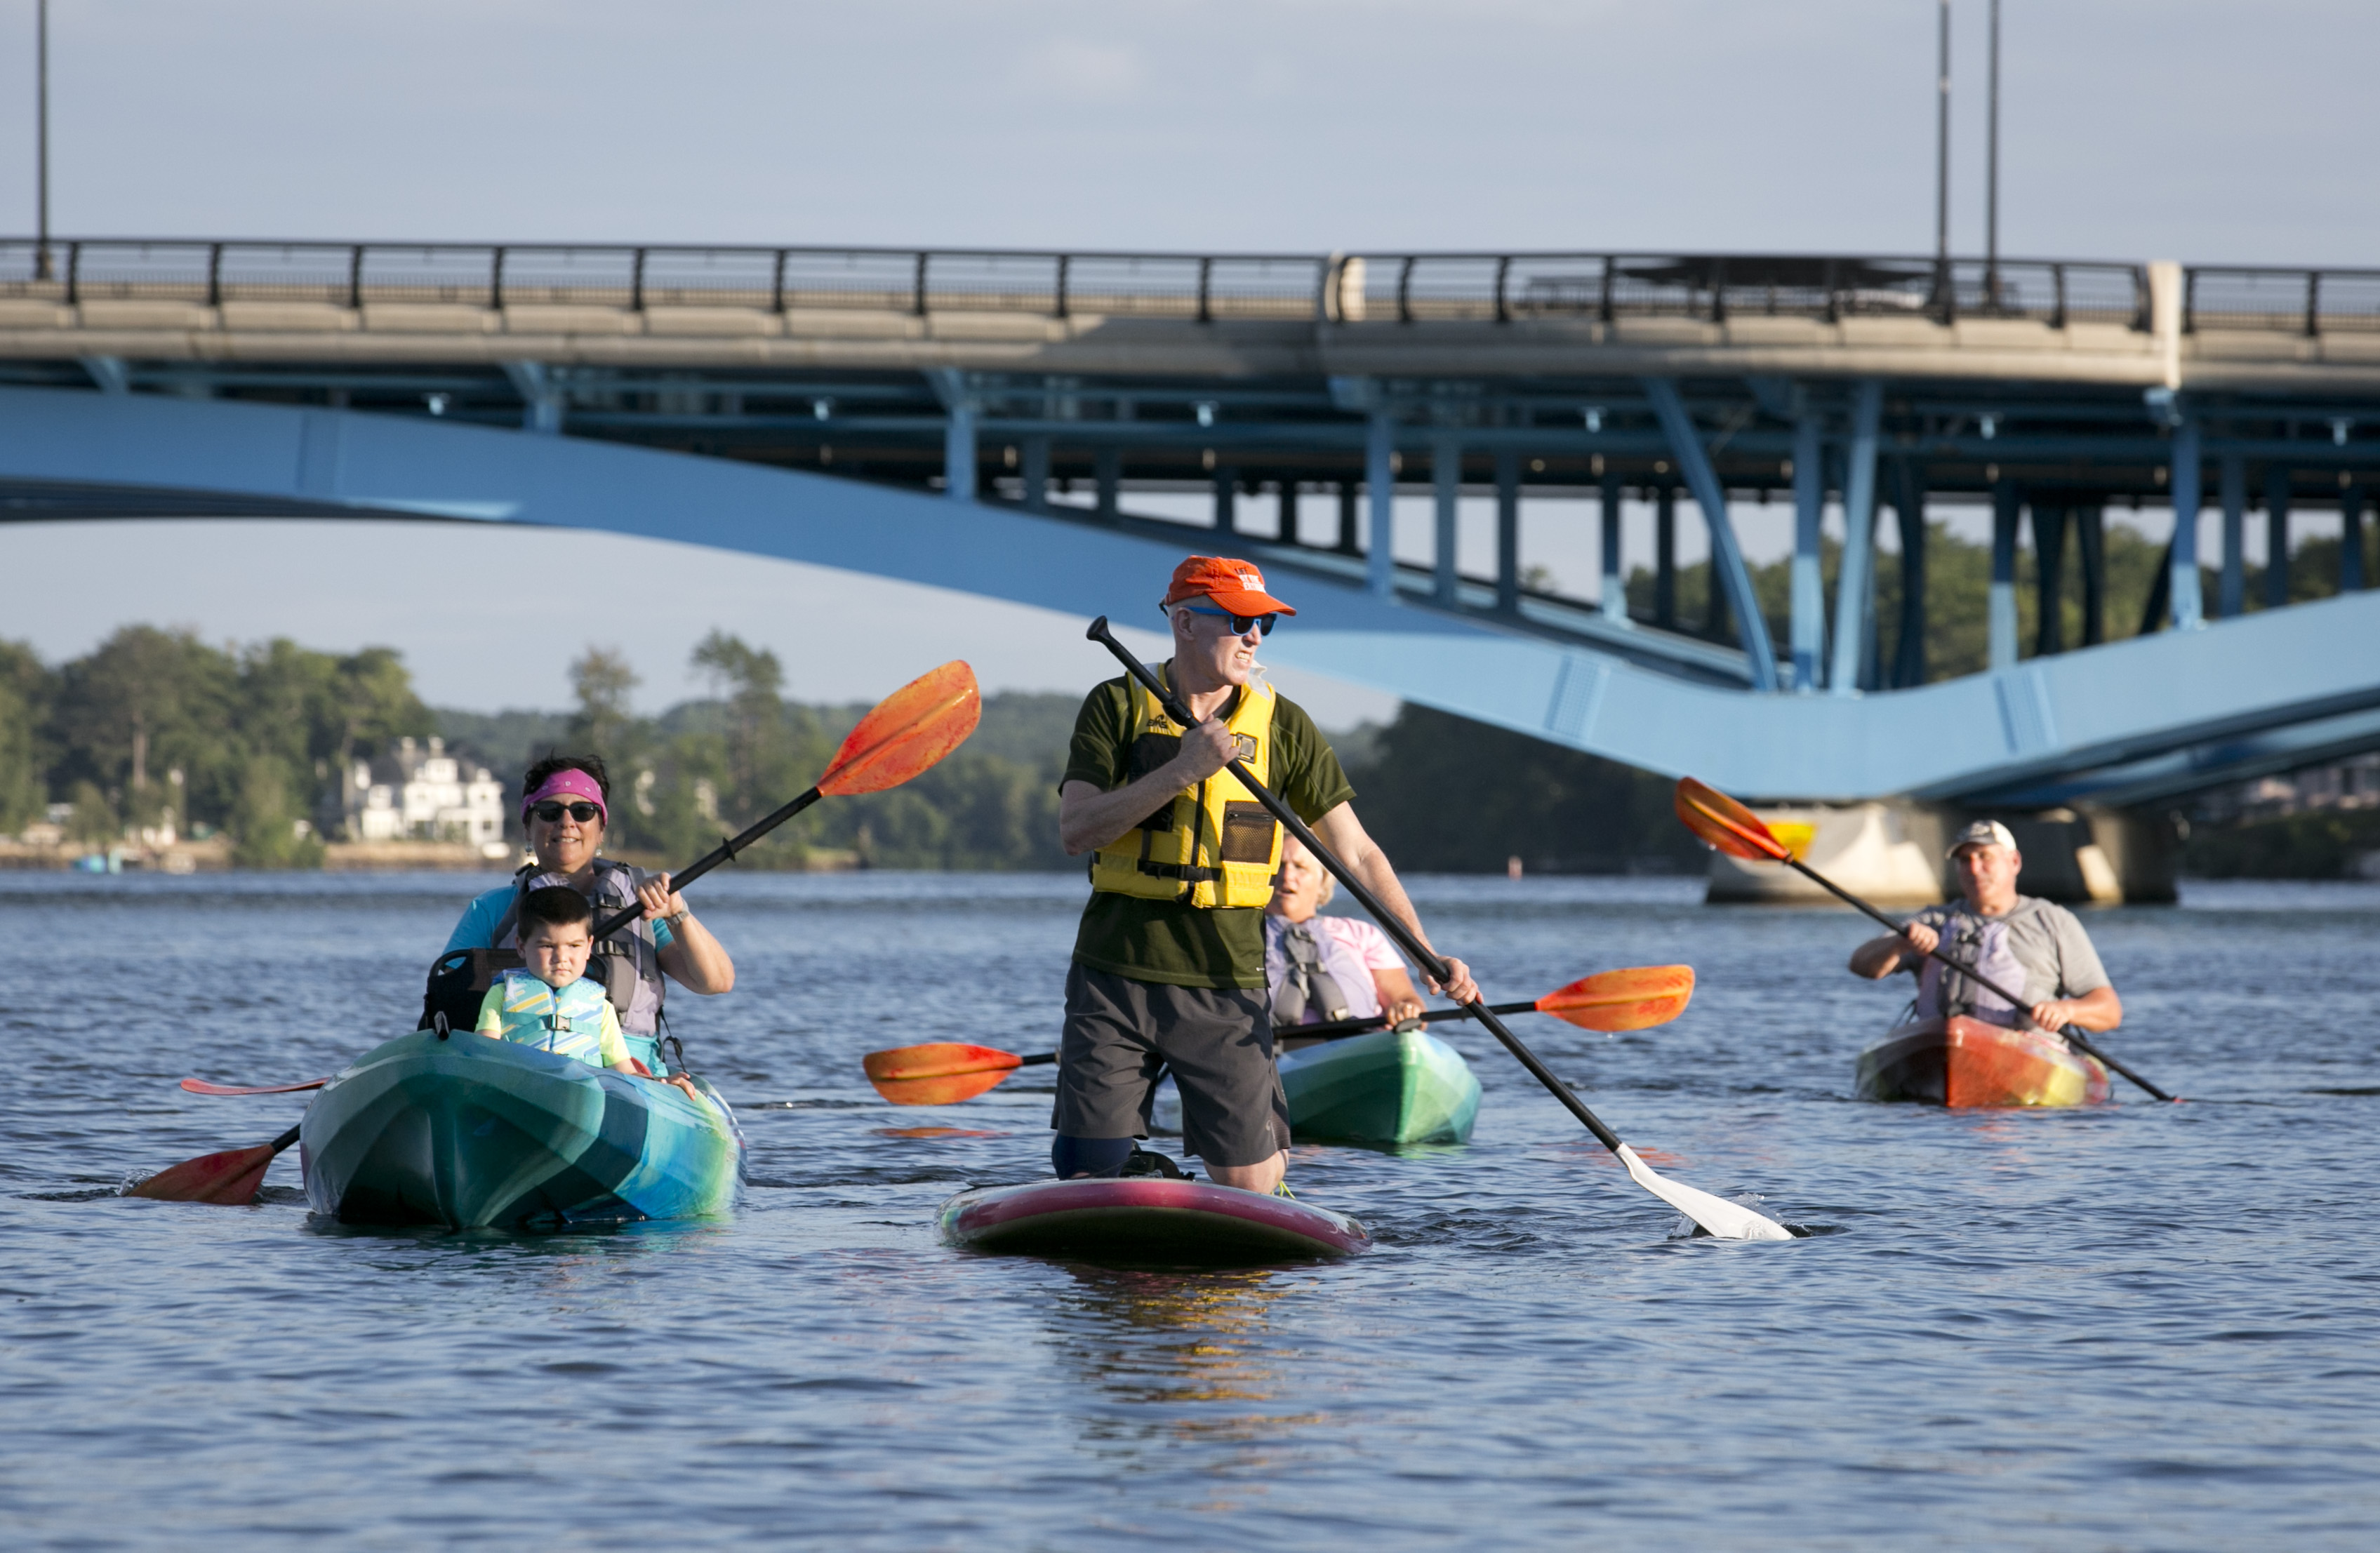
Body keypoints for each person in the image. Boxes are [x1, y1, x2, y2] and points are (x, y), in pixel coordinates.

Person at [1053, 554, 1478, 1195]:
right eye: (1240, 620)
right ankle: (1135, 1170)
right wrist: (1181, 770)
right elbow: (1075, 830)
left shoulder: (1285, 726)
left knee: (1249, 1187)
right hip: (1115, 973)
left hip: (1226, 981)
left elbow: (1358, 855)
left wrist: (1424, 950)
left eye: (1264, 625)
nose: (1254, 636)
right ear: (1185, 622)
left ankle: (1243, 1177)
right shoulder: (1115, 704)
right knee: (1085, 1172)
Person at [446, 754, 734, 1076]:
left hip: (629, 1069)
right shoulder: (491, 909)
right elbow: (448, 1001)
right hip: (521, 1064)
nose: (566, 822)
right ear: (528, 827)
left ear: (601, 830)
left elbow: (716, 982)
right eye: (550, 812)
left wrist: (677, 914)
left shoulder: (641, 905)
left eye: (583, 812)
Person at [1847, 819, 2123, 1037]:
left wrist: (2066, 1010)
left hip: (2028, 1052)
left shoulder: (2053, 922)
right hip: (1941, 1047)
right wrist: (1899, 944)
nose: (1975, 869)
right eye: (1965, 861)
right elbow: (1861, 965)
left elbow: (2109, 1012)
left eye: (1984, 857)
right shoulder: (1933, 921)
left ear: (2014, 862)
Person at [477, 885, 707, 1103]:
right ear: (521, 946)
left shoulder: (601, 1007)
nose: (561, 957)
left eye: (573, 946)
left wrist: (661, 1082)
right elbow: (484, 1054)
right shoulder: (502, 994)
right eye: (547, 946)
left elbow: (624, 1071)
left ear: (589, 947)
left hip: (581, 1099)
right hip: (518, 1093)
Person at [1265, 834, 1425, 1041]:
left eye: (1300, 867)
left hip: (1354, 1046)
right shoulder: (1240, 935)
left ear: (1322, 881)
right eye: (1279, 866)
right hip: (1270, 1052)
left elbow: (1405, 999)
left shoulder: (1362, 935)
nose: (1286, 877)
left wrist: (1405, 1010)